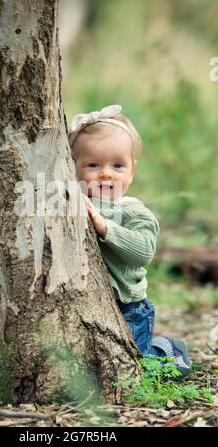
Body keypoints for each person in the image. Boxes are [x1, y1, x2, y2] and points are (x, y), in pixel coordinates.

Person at [69, 104, 192, 378]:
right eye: (93, 165)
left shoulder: (134, 210)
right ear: (73, 168)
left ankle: (170, 353)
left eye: (117, 165)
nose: (106, 173)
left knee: (134, 367)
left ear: (132, 171)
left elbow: (143, 251)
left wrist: (105, 228)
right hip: (95, 304)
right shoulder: (76, 201)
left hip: (129, 308)